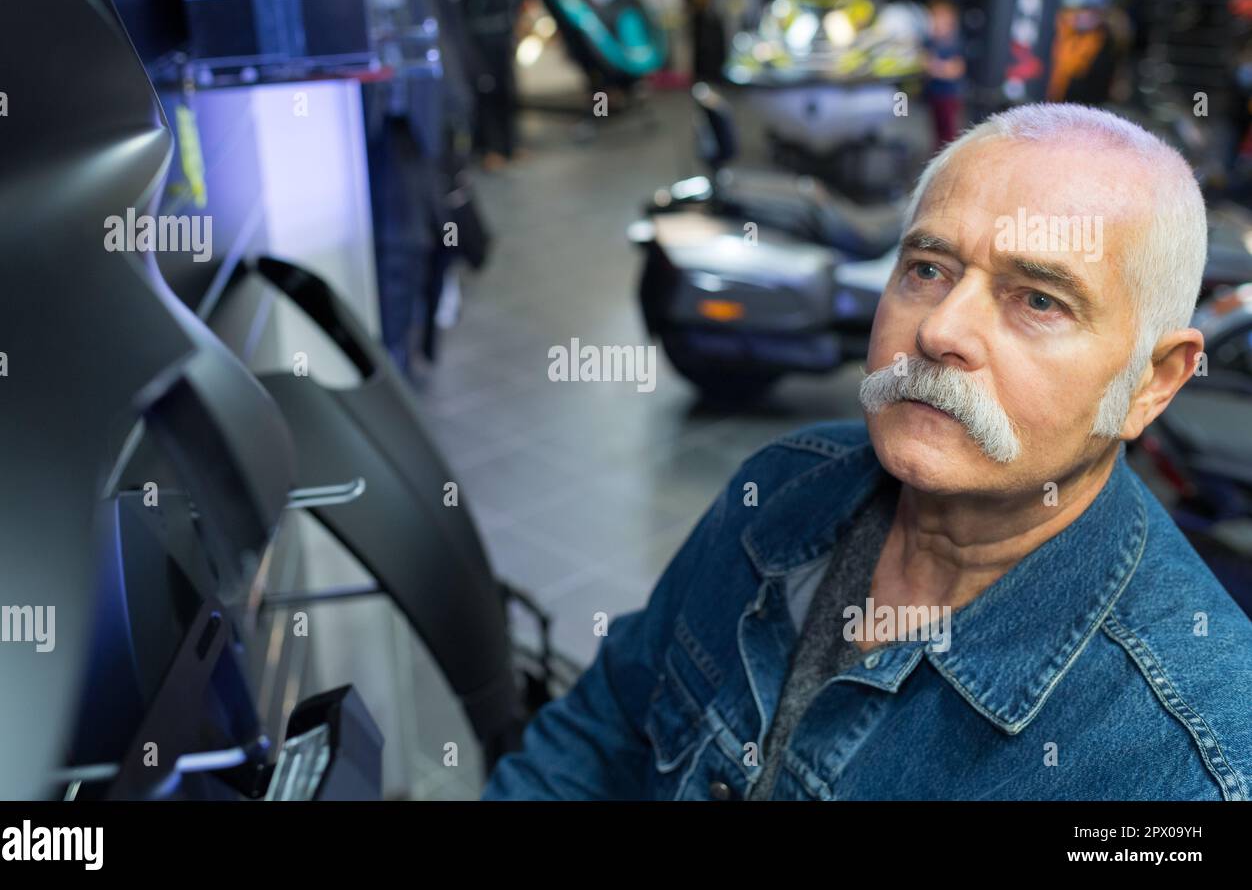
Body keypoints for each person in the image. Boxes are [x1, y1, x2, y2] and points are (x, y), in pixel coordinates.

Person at [482, 103, 1252, 800]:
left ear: (1152, 381)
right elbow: (604, 730)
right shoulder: (784, 486)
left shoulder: (1181, 763)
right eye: (927, 269)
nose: (940, 331)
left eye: (1038, 300)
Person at [460, 0, 523, 170]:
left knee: (508, 89)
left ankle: (511, 144)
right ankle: (491, 148)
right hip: (480, 36)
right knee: (486, 90)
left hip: (504, 33)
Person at [923, 0, 966, 148]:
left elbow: (956, 69)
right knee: (937, 132)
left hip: (949, 95)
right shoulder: (929, 42)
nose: (938, 23)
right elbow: (923, 63)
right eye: (935, 18)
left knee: (950, 132)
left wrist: (936, 68)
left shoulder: (954, 43)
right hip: (934, 95)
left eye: (942, 18)